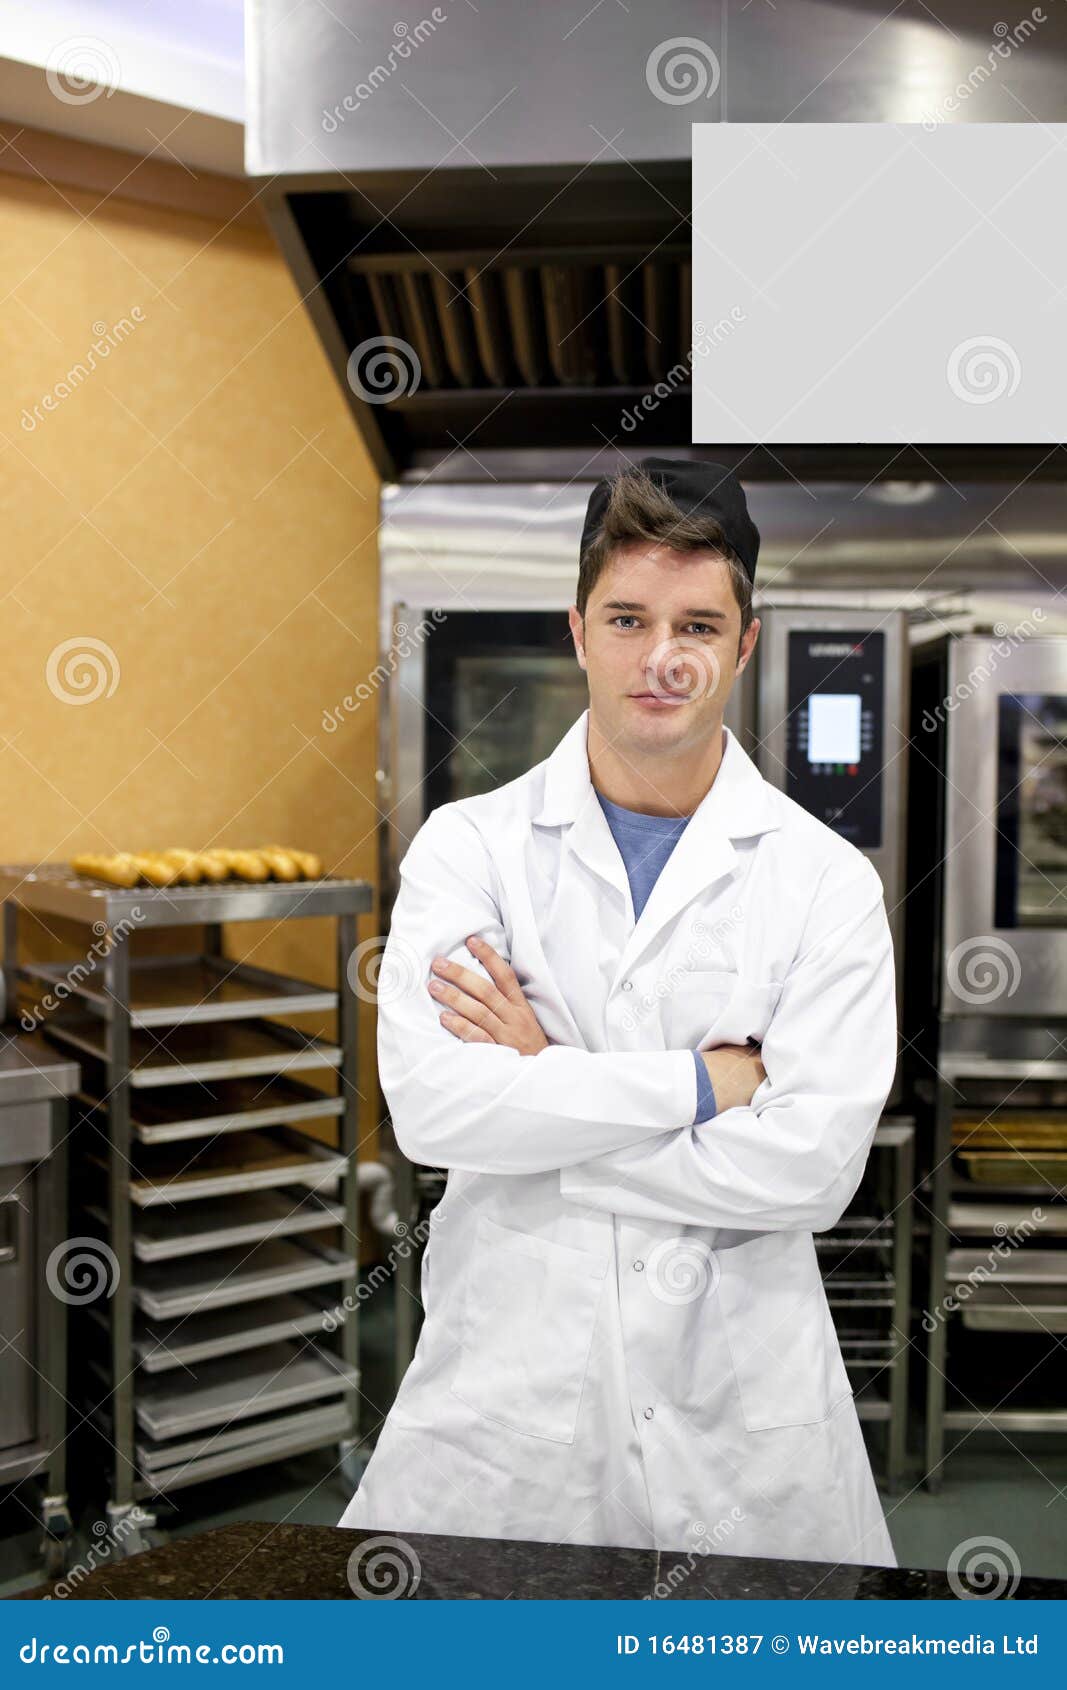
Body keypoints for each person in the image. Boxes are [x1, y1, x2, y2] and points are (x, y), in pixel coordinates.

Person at [338, 456, 898, 1569]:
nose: (659, 659)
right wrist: (700, 1085)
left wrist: (543, 1094)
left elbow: (810, 1172)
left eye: (696, 624)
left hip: (743, 1420)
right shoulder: (471, 847)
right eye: (627, 617)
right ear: (577, 629)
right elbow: (441, 1116)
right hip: (505, 1418)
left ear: (742, 644)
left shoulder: (824, 879)